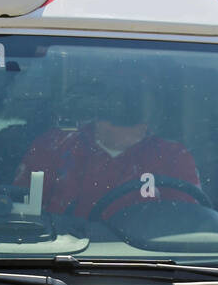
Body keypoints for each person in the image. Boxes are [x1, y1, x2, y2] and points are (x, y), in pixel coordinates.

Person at [13, 85, 200, 220]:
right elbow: (23, 214)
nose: (143, 126)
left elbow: (185, 224)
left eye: (145, 114)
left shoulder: (172, 157)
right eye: (128, 113)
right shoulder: (54, 147)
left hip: (149, 264)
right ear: (99, 114)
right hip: (61, 260)